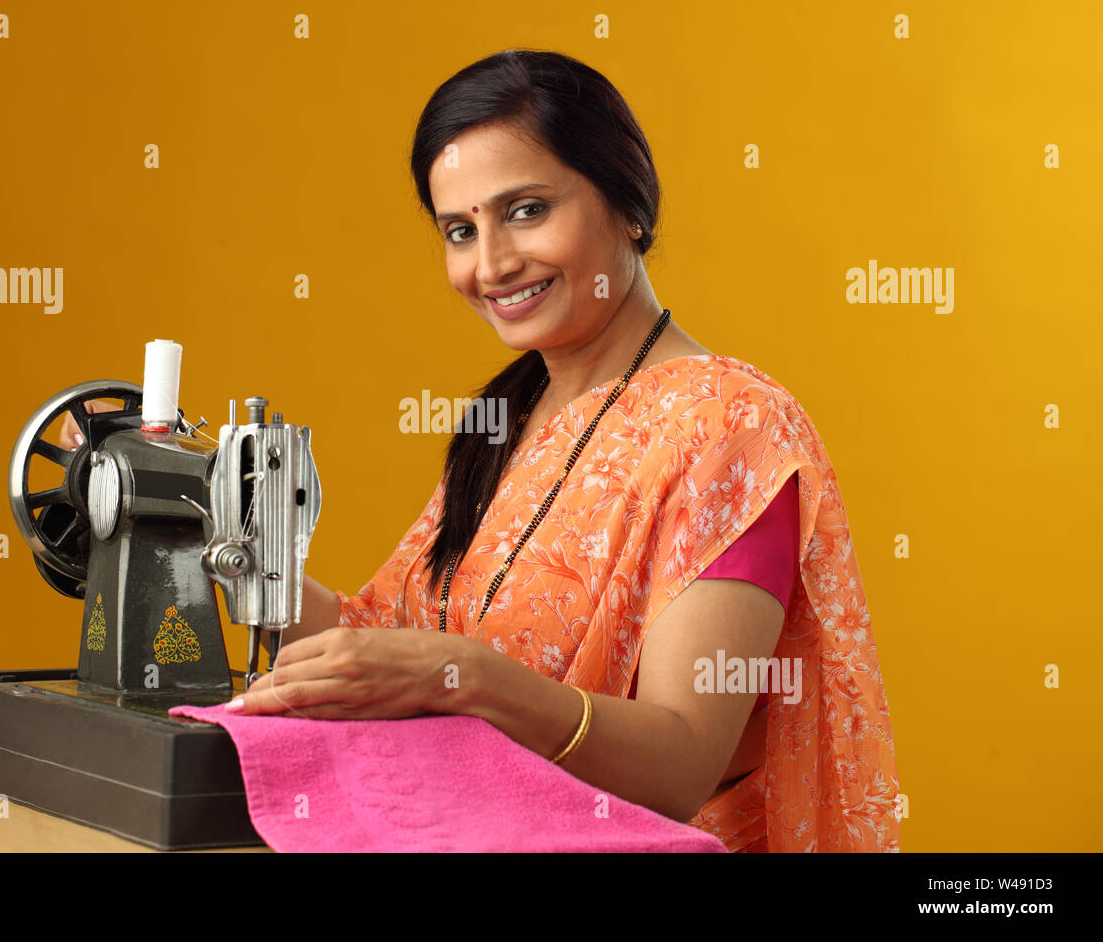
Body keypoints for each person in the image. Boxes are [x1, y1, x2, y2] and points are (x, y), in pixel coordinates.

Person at [59, 50, 899, 852]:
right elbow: (377, 645)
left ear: (629, 203)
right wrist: (187, 523)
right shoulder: (510, 420)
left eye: (526, 210)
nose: (491, 264)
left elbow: (680, 762)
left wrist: (464, 677)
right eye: (459, 229)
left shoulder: (734, 425)